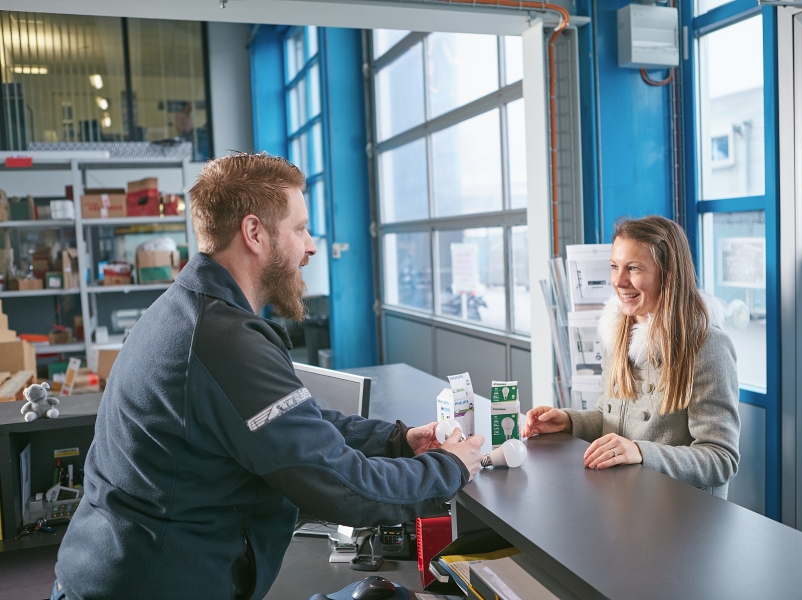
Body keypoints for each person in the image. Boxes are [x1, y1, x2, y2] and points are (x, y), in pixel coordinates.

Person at [52, 153, 485, 600]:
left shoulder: (194, 311)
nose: (311, 246)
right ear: (254, 233)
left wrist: (399, 441)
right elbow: (338, 487)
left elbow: (301, 424)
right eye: (300, 229)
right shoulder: (222, 341)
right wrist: (450, 467)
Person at [522, 215, 740, 498]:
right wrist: (568, 421)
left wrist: (640, 451)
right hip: (627, 503)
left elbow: (720, 458)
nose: (618, 281)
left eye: (633, 268)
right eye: (614, 267)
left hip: (684, 518)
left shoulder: (708, 346)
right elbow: (608, 417)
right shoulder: (620, 332)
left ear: (668, 274)